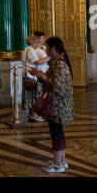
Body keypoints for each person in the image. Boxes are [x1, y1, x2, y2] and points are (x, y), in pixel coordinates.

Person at [30, 36, 74, 173]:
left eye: (48, 48)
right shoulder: (56, 63)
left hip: (58, 105)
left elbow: (56, 84)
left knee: (57, 133)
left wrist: (42, 77)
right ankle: (60, 160)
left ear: (54, 49)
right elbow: (49, 80)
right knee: (57, 132)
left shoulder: (60, 65)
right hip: (56, 104)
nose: (46, 50)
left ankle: (58, 163)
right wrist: (39, 75)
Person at [20, 34, 50, 124]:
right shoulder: (30, 50)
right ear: (32, 42)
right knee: (33, 95)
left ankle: (33, 114)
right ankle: (33, 114)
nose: (38, 43)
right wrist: (49, 57)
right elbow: (37, 62)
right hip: (30, 75)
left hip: (30, 75)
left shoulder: (29, 50)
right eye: (36, 42)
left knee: (32, 95)